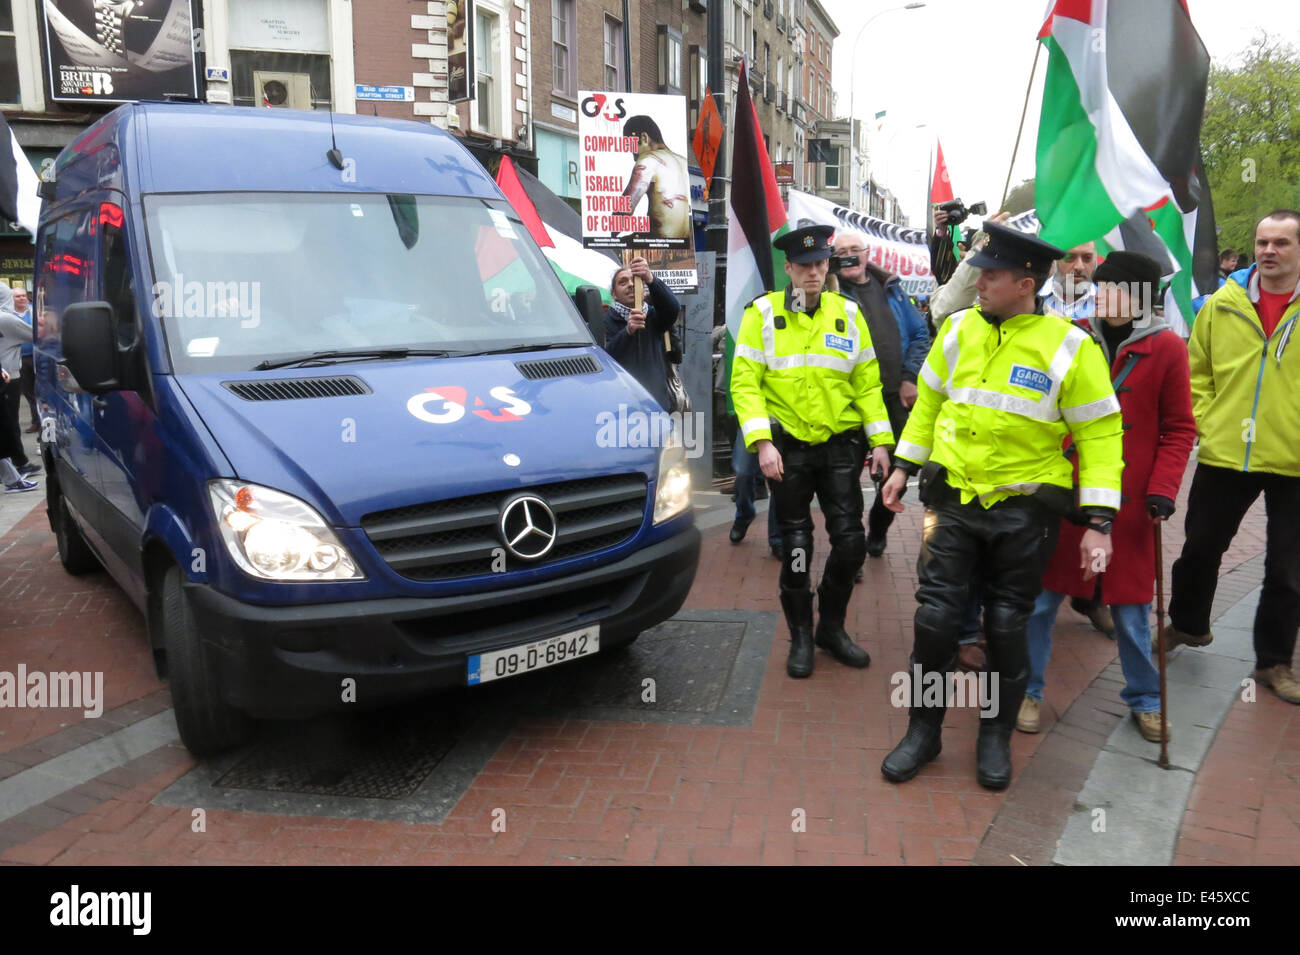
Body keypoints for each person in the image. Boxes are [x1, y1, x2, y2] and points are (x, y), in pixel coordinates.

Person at [878, 222, 1124, 789]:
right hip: (956, 500)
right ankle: (924, 731)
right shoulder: (959, 328)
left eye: (991, 274)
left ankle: (995, 736)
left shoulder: (1070, 346)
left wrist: (1099, 521)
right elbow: (932, 403)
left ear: (1027, 281)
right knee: (935, 621)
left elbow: (1101, 434)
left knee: (1008, 625)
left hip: (1024, 510)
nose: (979, 282)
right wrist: (903, 466)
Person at [1019, 251, 1195, 741]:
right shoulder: (1071, 335)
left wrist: (1162, 489)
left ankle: (1146, 698)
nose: (1101, 292)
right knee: (1039, 601)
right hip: (1067, 492)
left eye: (1113, 286)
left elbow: (1180, 430)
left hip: (1133, 500)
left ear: (1140, 295)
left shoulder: (1167, 348)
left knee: (1133, 610)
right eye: (1100, 285)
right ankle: (1029, 690)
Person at [731, 224, 894, 678]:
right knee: (797, 545)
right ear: (789, 268)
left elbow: (866, 382)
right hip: (788, 453)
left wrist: (881, 441)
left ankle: (832, 627)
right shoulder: (761, 314)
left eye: (821, 264)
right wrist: (762, 442)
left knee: (851, 543)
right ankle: (801, 634)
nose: (814, 273)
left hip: (841, 449)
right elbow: (745, 383)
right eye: (805, 266)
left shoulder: (848, 313)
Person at [1166, 209, 1300, 705]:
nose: (1269, 251)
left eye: (1282, 243)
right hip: (1227, 451)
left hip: (1293, 458)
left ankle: (1274, 662)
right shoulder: (1221, 305)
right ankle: (1188, 626)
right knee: (1200, 548)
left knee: (1288, 569)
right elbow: (1195, 369)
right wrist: (1208, 418)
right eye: (1263, 241)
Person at [831, 231, 930, 558]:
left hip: (892, 399)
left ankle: (879, 524)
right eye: (840, 251)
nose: (849, 256)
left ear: (866, 253)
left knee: (898, 471)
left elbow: (919, 333)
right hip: (849, 402)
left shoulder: (892, 288)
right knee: (845, 482)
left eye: (853, 250)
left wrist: (909, 377)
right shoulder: (831, 293)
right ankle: (852, 546)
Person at [714, 322, 780, 553]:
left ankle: (777, 539)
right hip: (755, 415)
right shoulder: (749, 323)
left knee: (781, 481)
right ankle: (744, 513)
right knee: (743, 473)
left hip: (785, 417)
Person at [603, 256, 680, 413]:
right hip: (621, 406)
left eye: (635, 280)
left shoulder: (654, 316)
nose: (630, 285)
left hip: (655, 402)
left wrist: (650, 279)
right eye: (623, 282)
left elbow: (672, 308)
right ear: (614, 294)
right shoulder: (605, 321)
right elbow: (605, 358)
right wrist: (627, 332)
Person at [620, 116, 691, 241]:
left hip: (658, 240)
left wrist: (608, 235)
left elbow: (624, 210)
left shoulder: (649, 159)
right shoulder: (684, 162)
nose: (634, 158)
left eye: (633, 150)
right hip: (683, 243)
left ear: (644, 138)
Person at [0, 285, 38, 478]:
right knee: (10, 422)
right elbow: (35, 335)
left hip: (5, 372)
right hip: (9, 376)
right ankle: (20, 463)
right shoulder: (6, 319)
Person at [1041, 241, 1098, 321]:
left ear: (1096, 261)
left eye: (1087, 258)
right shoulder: (1031, 296)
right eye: (1069, 257)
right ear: (1055, 260)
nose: (1079, 267)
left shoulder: (1108, 305)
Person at [12, 286, 37, 433]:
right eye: (17, 296)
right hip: (20, 358)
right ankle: (36, 420)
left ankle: (43, 420)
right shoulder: (8, 315)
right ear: (12, 299)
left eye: (23, 295)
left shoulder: (35, 311)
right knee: (28, 391)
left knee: (42, 389)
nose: (22, 298)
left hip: (38, 356)